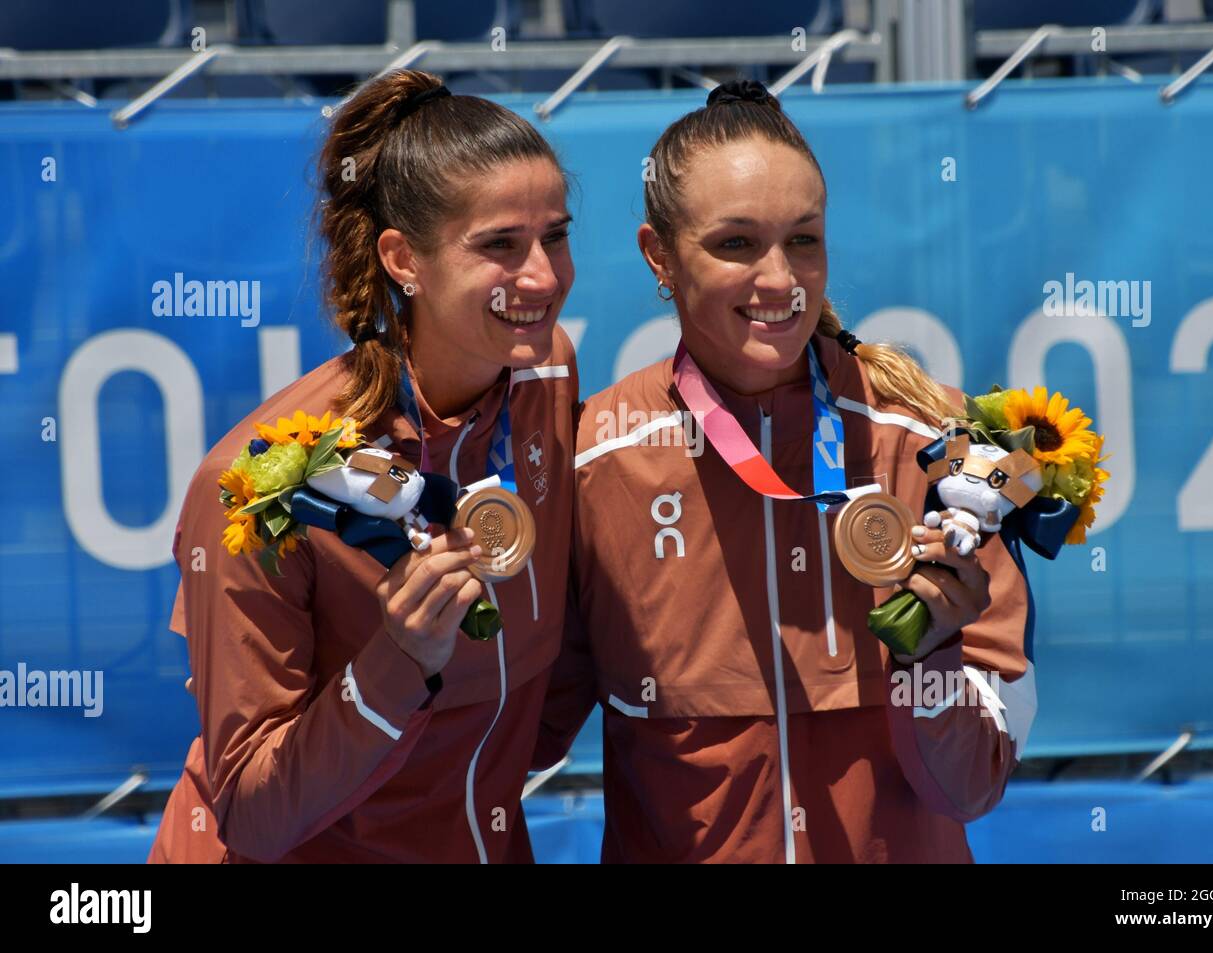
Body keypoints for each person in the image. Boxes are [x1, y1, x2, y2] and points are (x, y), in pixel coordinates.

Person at [534, 79, 1036, 863]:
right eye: (736, 244)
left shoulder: (943, 448)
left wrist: (928, 659)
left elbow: (970, 788)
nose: (780, 279)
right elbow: (515, 740)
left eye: (803, 240)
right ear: (658, 256)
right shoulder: (596, 458)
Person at [149, 70, 578, 863]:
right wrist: (400, 661)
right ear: (403, 259)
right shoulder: (270, 476)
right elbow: (249, 811)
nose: (545, 278)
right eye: (500, 246)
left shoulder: (548, 374)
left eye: (555, 234)